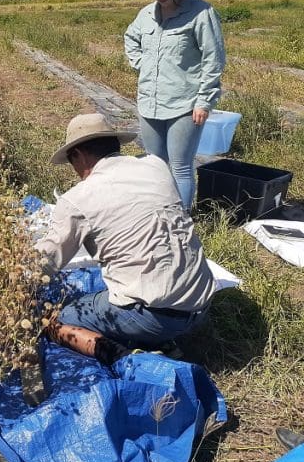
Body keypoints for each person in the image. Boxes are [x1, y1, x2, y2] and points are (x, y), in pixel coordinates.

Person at [36, 113, 217, 364]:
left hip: (153, 316)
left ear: (79, 155)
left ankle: (126, 356)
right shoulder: (156, 166)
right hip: (202, 303)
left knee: (56, 319)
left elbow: (45, 262)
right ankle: (157, 339)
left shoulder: (78, 199)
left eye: (71, 161)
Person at [124, 0, 226, 210]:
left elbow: (213, 58)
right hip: (150, 101)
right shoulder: (146, 15)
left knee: (180, 166)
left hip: (185, 103)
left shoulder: (201, 13)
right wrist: (141, 64)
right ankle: (160, 216)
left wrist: (204, 101)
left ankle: (182, 222)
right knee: (155, 164)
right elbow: (130, 38)